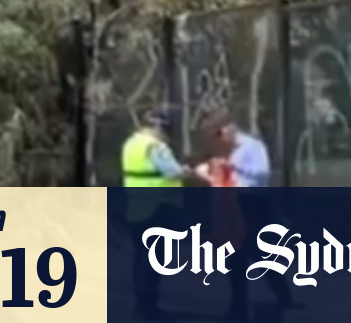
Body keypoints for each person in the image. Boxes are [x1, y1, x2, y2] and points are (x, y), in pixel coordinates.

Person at [205, 113, 296, 321]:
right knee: (234, 254)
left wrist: (233, 168)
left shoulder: (252, 147)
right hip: (232, 202)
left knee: (259, 251)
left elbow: (261, 175)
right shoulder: (228, 150)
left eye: (220, 132)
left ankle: (282, 294)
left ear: (231, 127)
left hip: (251, 202)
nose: (219, 138)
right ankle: (238, 304)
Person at [121, 107, 203, 320]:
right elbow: (172, 171)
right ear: (158, 126)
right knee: (152, 261)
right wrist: (193, 171)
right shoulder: (155, 147)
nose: (167, 134)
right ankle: (148, 308)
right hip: (157, 209)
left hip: (136, 207)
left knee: (141, 258)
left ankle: (142, 305)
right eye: (166, 129)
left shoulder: (131, 143)